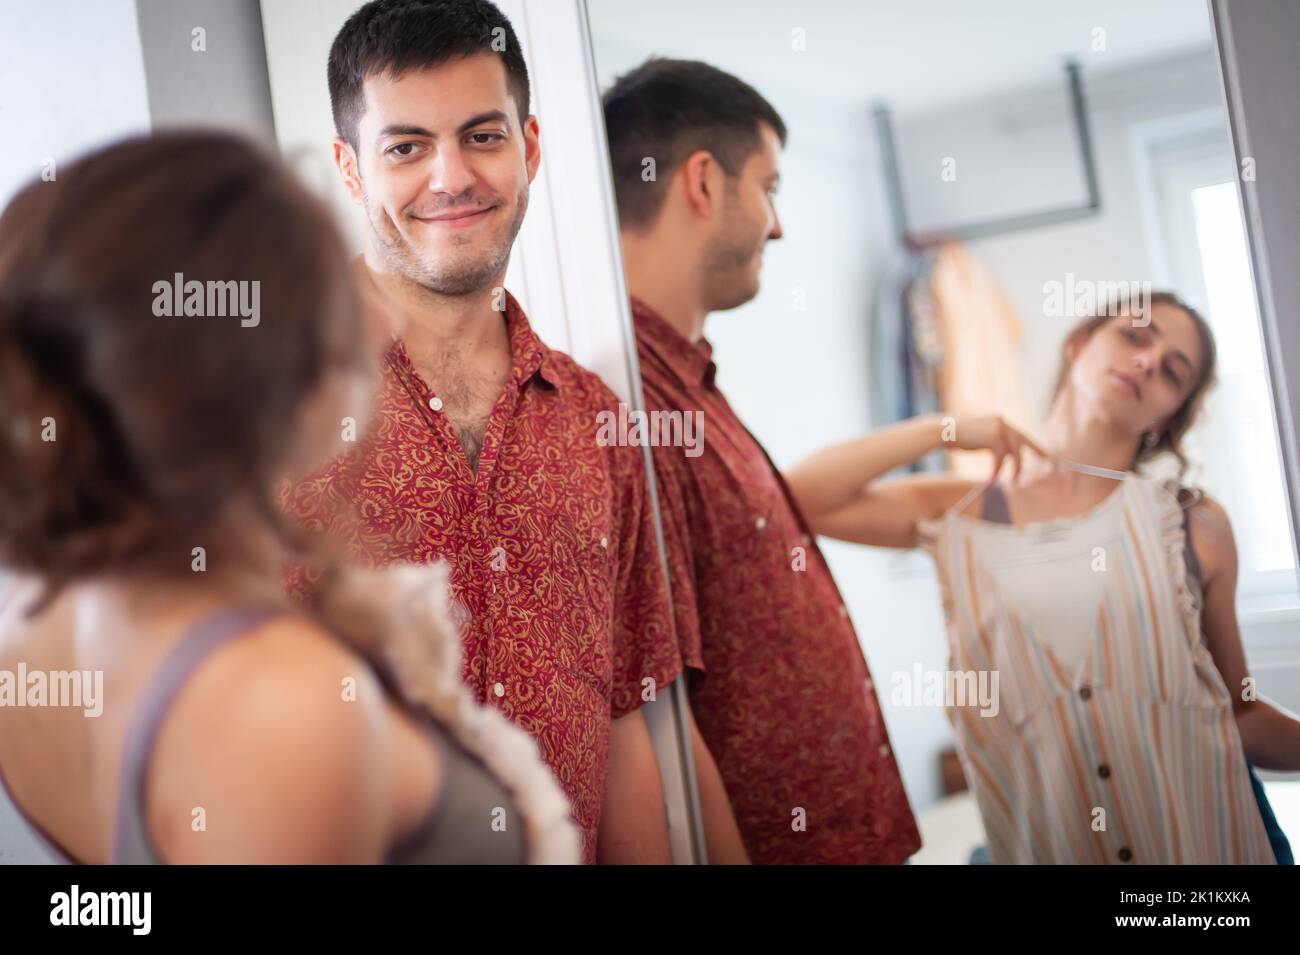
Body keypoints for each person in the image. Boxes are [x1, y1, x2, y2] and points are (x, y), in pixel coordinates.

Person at [0, 129, 579, 864]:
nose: (385, 320)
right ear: (235, 370)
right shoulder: (283, 707)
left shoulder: (29, 615)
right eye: (332, 299)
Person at [282, 0, 696, 863]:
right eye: (405, 147)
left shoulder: (595, 417)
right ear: (350, 171)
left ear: (530, 147)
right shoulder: (264, 411)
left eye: (482, 135)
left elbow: (622, 721)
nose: (449, 177)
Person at [786, 292, 1300, 863]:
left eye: (1173, 372)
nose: (1149, 362)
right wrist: (946, 429)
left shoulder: (1190, 523)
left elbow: (1241, 711)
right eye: (1135, 336)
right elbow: (798, 495)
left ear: (1167, 417)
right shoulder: (960, 513)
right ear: (1078, 343)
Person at [601, 57, 922, 863]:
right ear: (704, 183)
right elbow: (656, 707)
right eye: (769, 187)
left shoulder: (691, 383)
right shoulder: (633, 409)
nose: (776, 224)